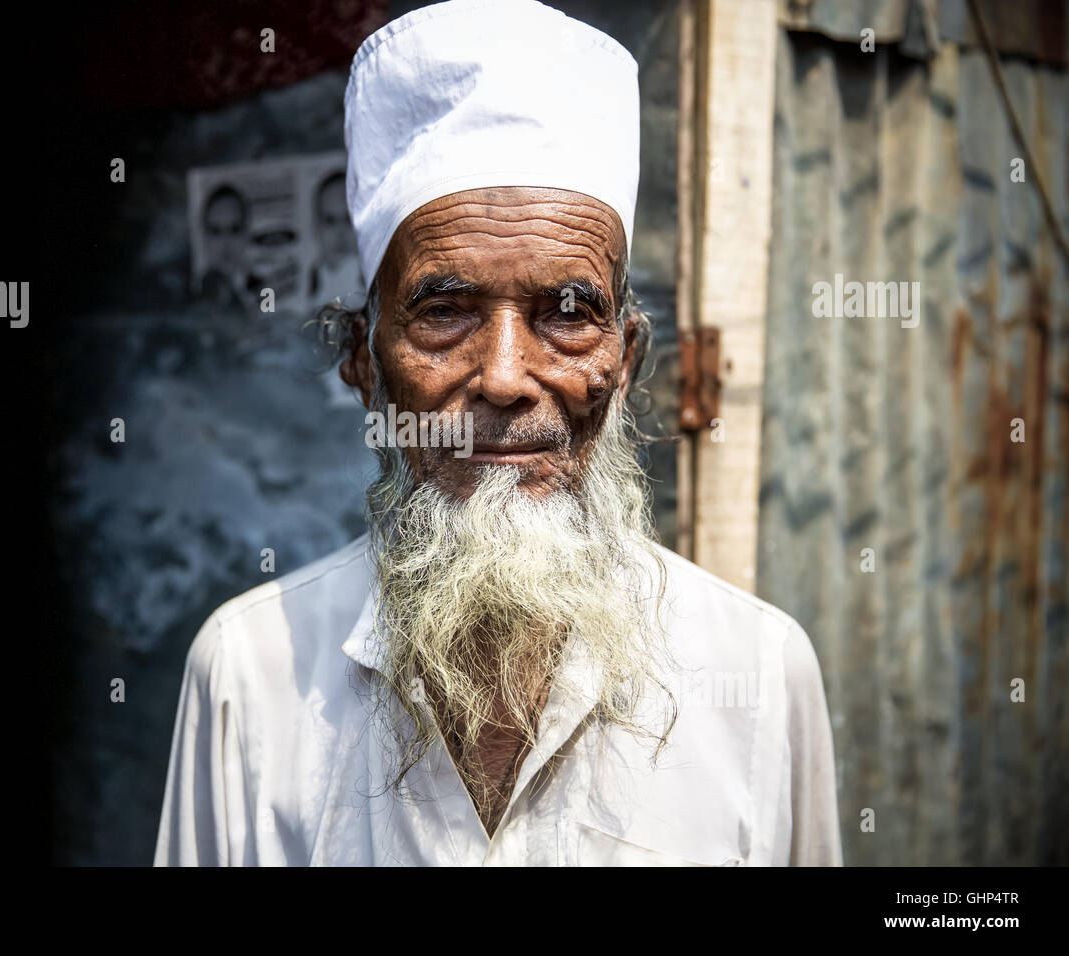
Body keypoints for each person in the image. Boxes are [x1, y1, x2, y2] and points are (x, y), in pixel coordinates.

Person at [155, 0, 842, 866]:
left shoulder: (763, 674)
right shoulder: (245, 679)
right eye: (444, 312)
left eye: (567, 313)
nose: (507, 378)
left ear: (624, 359)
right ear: (362, 363)